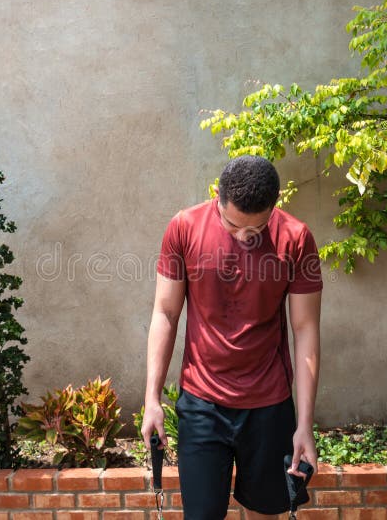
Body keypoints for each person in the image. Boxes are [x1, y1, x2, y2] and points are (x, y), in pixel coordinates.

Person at [141, 155, 323, 519]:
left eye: (255, 228)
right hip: (202, 404)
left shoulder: (296, 237)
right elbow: (166, 313)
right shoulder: (184, 227)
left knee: (270, 510)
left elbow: (305, 330)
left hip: (269, 404)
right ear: (217, 197)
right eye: (232, 224)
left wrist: (304, 424)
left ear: (273, 208)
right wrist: (152, 399)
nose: (244, 237)